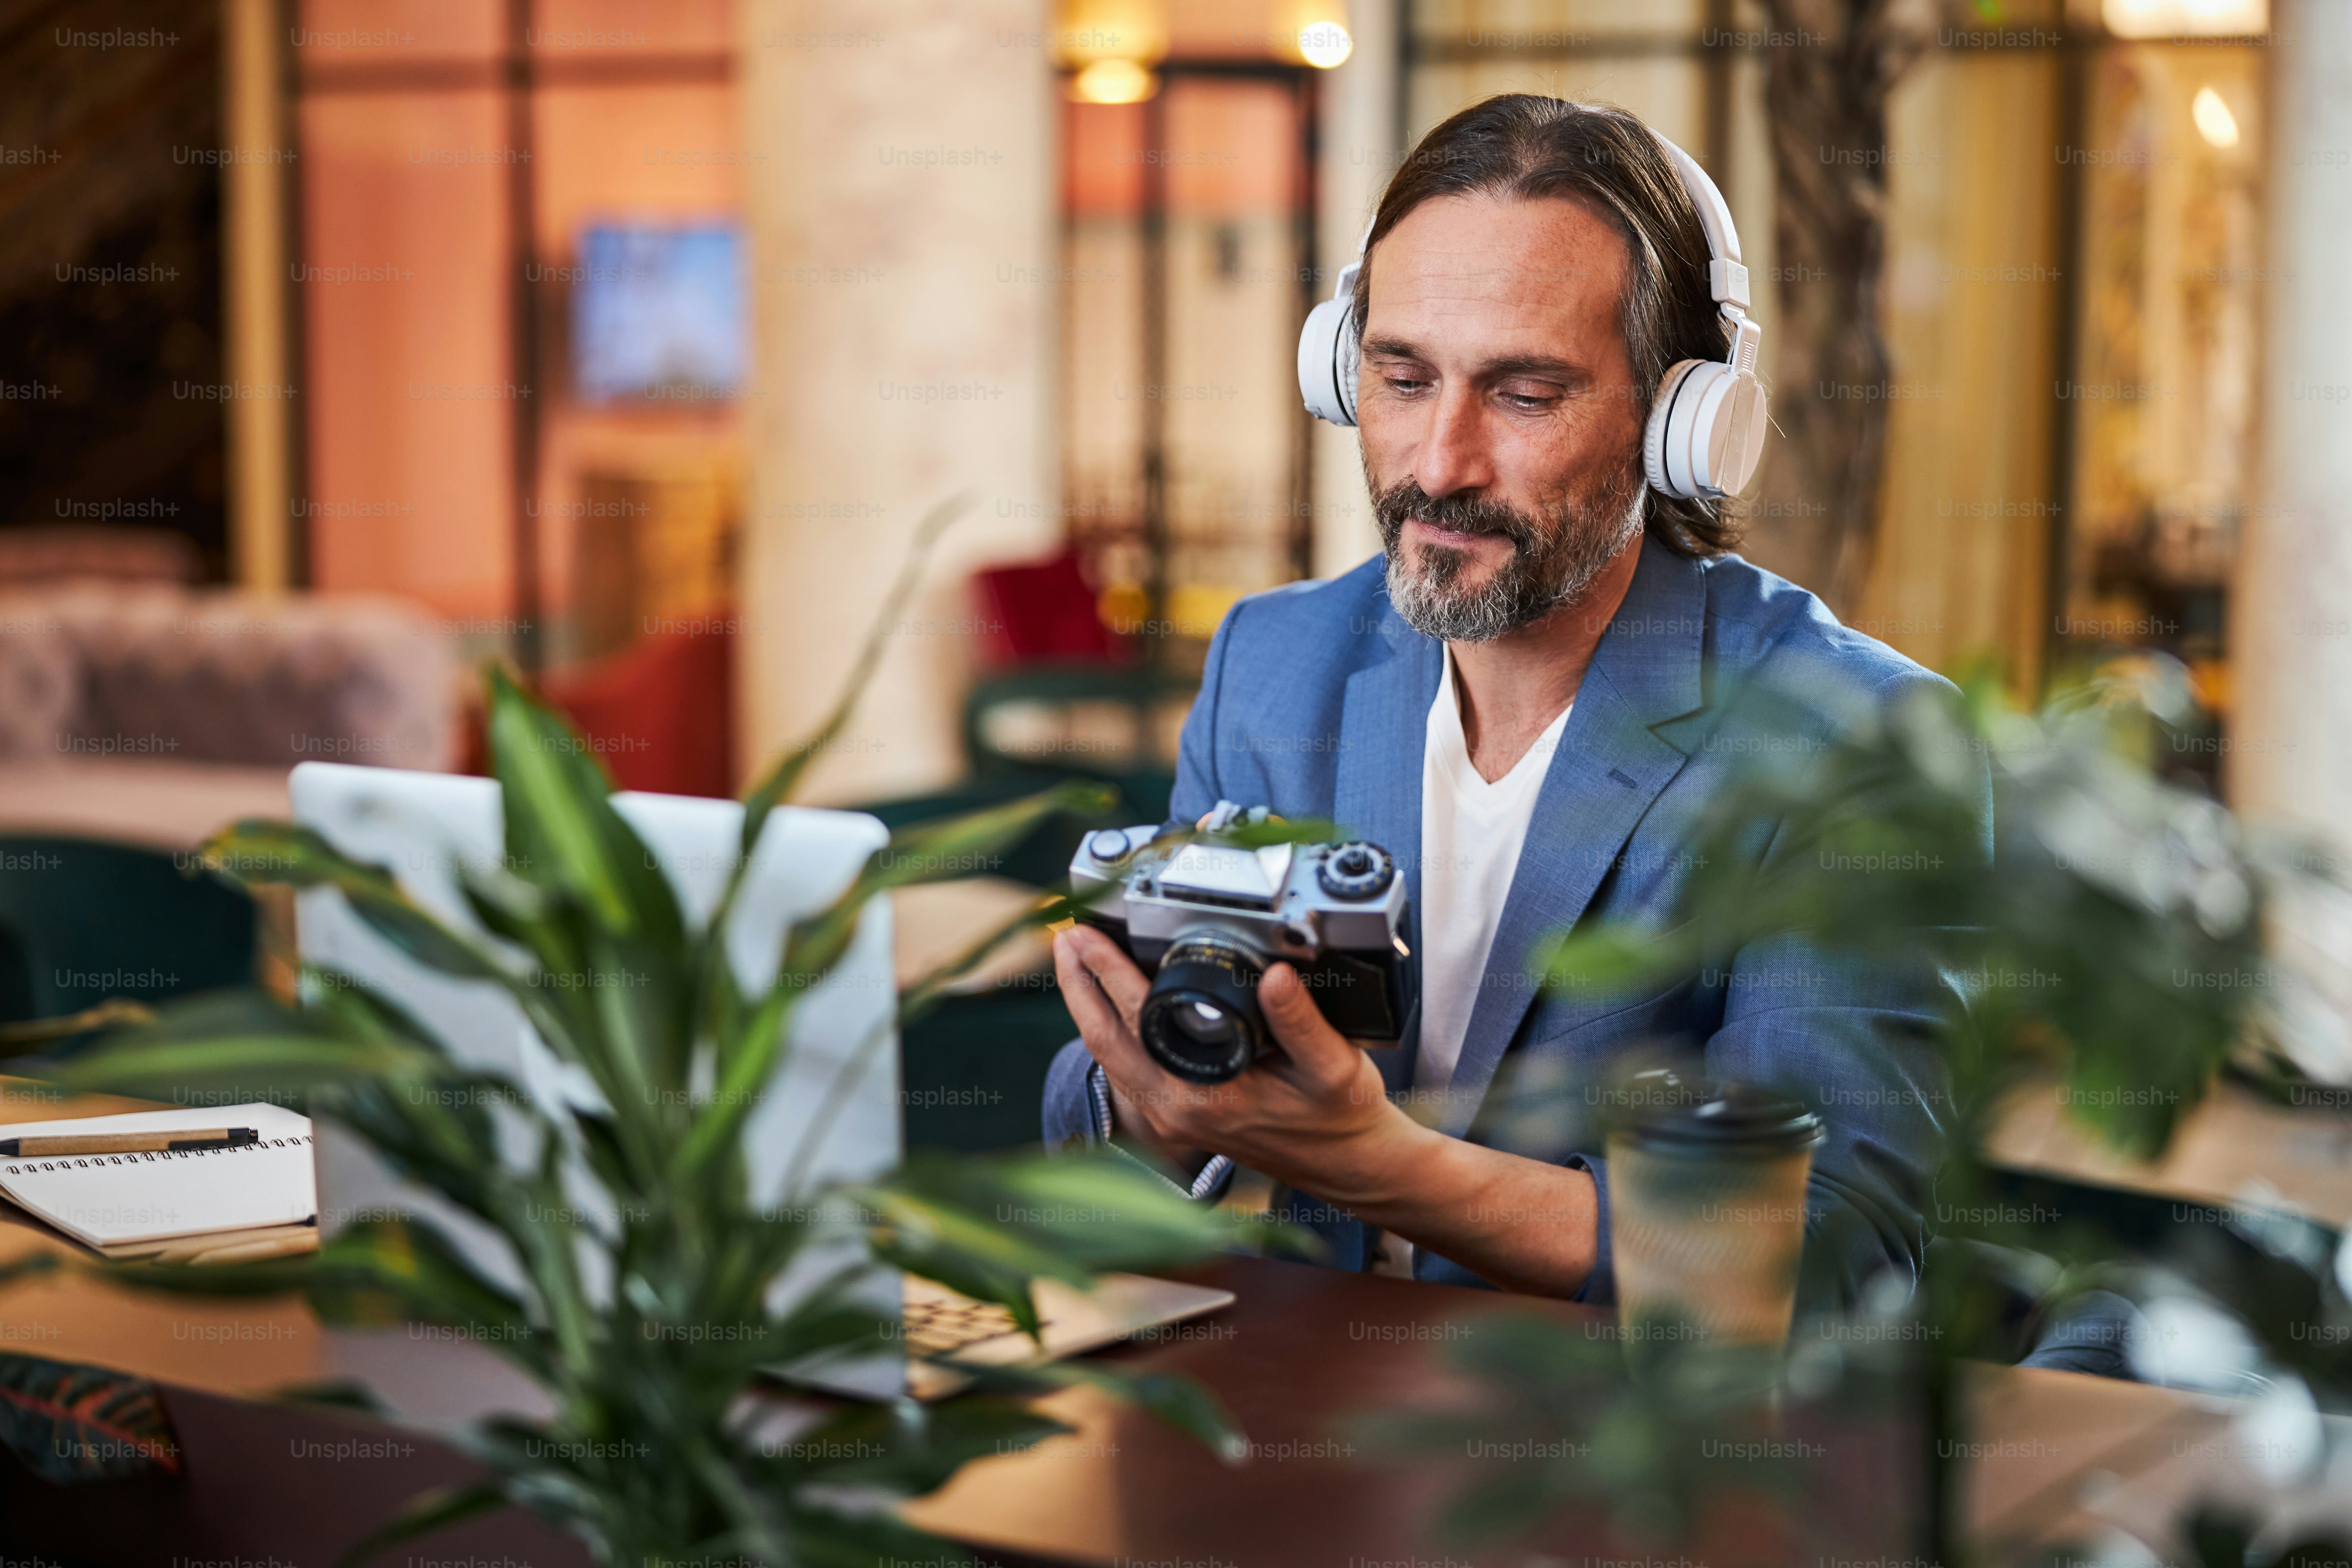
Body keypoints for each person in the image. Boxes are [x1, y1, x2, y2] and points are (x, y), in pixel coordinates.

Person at [1042, 95, 1982, 1306]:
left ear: (1684, 423)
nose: (1439, 464)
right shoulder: (1271, 667)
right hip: (1298, 1419)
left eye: (1526, 394)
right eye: (1400, 375)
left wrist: (1385, 1167)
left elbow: (1833, 1242)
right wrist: (1154, 1103)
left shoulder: (1858, 741)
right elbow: (1109, 1130)